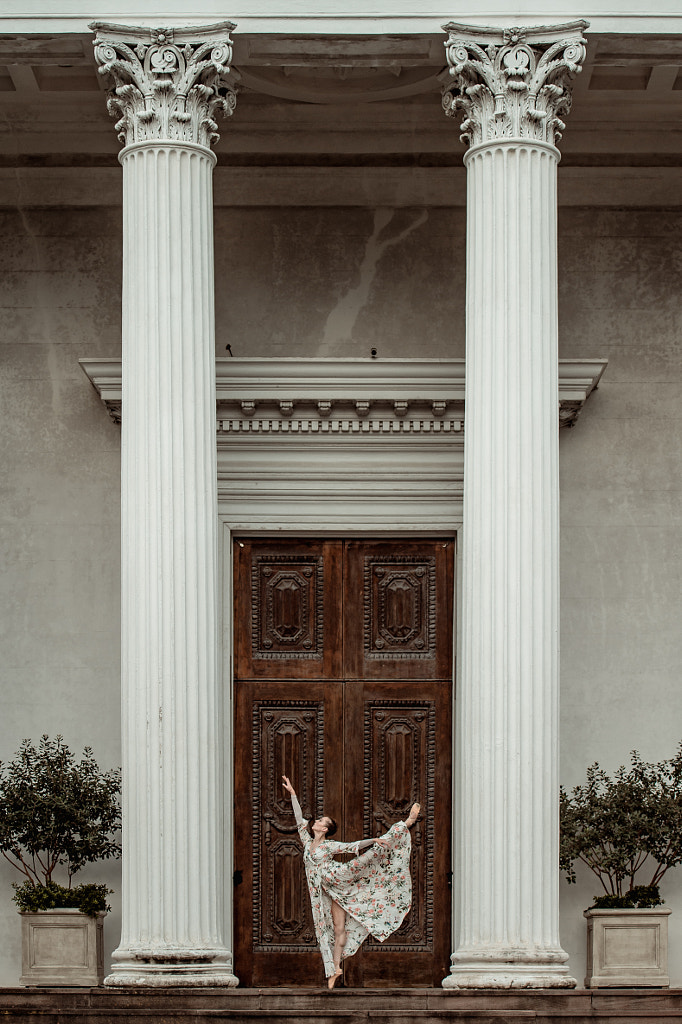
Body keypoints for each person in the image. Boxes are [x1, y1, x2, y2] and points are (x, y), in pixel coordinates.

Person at [281, 774, 420, 989]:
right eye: (317, 820)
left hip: (340, 876)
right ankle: (335, 968)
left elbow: (351, 846)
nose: (315, 822)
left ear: (324, 829)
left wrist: (373, 840)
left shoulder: (330, 846)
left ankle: (404, 825)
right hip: (324, 889)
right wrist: (293, 795)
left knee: (369, 857)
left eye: (320, 821)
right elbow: (299, 819)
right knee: (336, 929)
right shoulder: (307, 841)